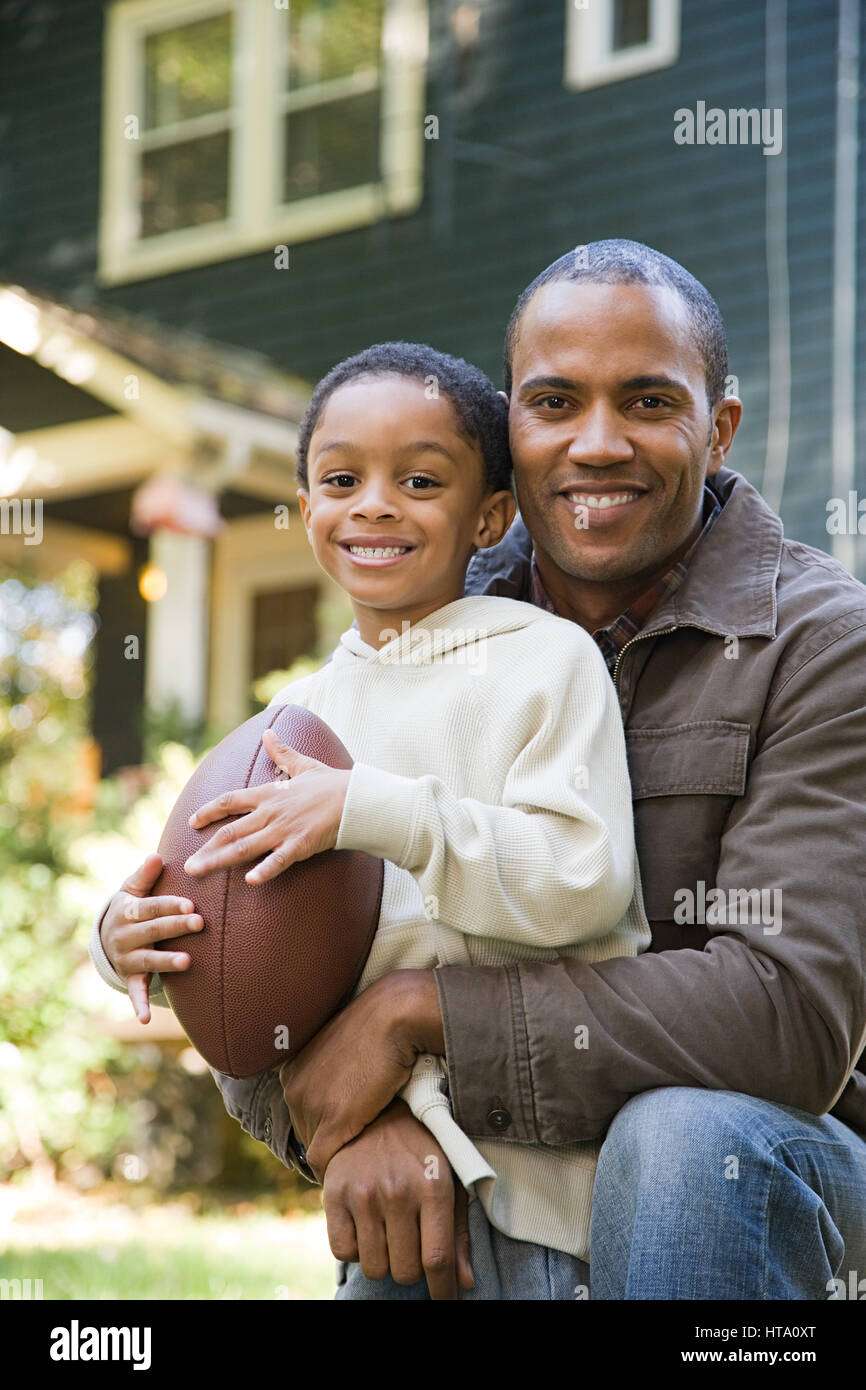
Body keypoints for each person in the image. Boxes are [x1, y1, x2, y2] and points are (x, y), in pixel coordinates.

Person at [199, 240, 866, 1302]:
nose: (595, 443)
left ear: (717, 425)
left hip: (766, 1158)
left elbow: (784, 1016)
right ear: (508, 430)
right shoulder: (421, 614)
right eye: (553, 403)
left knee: (679, 1143)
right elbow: (260, 940)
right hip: (475, 1160)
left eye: (647, 401)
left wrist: (422, 1012)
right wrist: (347, 1124)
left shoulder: (820, 642)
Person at [89, 340, 652, 1299]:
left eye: (420, 479)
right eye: (342, 478)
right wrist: (126, 936)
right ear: (306, 508)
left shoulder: (545, 662)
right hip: (374, 1188)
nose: (375, 504)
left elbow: (582, 883)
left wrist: (377, 813)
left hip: (548, 1197)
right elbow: (229, 922)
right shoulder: (289, 723)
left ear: (490, 515)